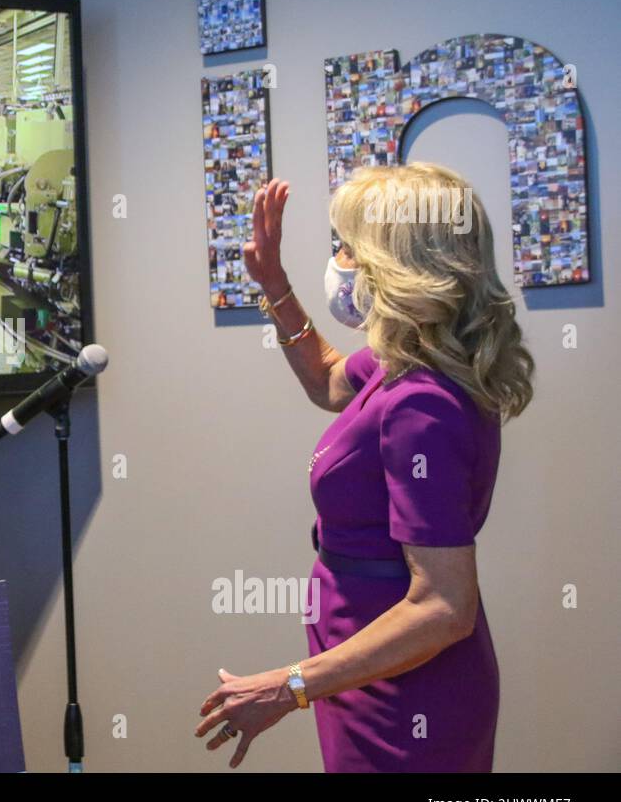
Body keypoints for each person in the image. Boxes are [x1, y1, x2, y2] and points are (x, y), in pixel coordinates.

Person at [195, 164, 534, 771]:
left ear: (396, 264)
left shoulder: (422, 402)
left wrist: (287, 687)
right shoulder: (402, 361)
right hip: (363, 662)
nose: (341, 261)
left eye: (348, 247)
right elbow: (327, 380)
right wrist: (274, 285)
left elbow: (443, 607)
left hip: (405, 698)